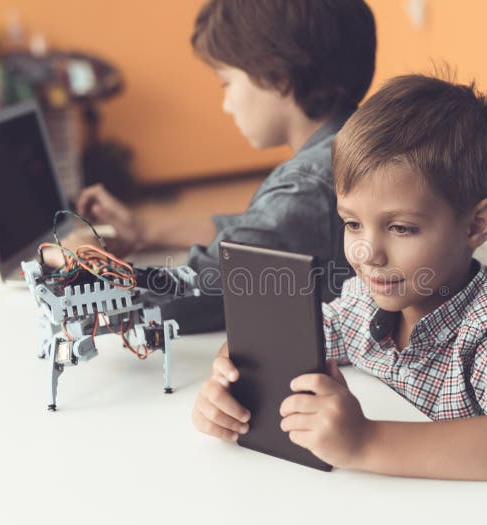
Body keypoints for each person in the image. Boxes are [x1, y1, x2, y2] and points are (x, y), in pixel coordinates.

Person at [191, 74, 487, 506]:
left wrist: (365, 440)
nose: (367, 252)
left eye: (400, 228)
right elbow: (293, 338)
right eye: (352, 223)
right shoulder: (364, 300)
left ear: (475, 225)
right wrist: (236, 372)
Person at [72, 0, 377, 333]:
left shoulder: (308, 186)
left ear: (276, 79)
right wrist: (145, 231)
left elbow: (187, 296)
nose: (226, 105)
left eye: (226, 83)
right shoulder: (351, 144)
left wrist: (86, 266)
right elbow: (259, 233)